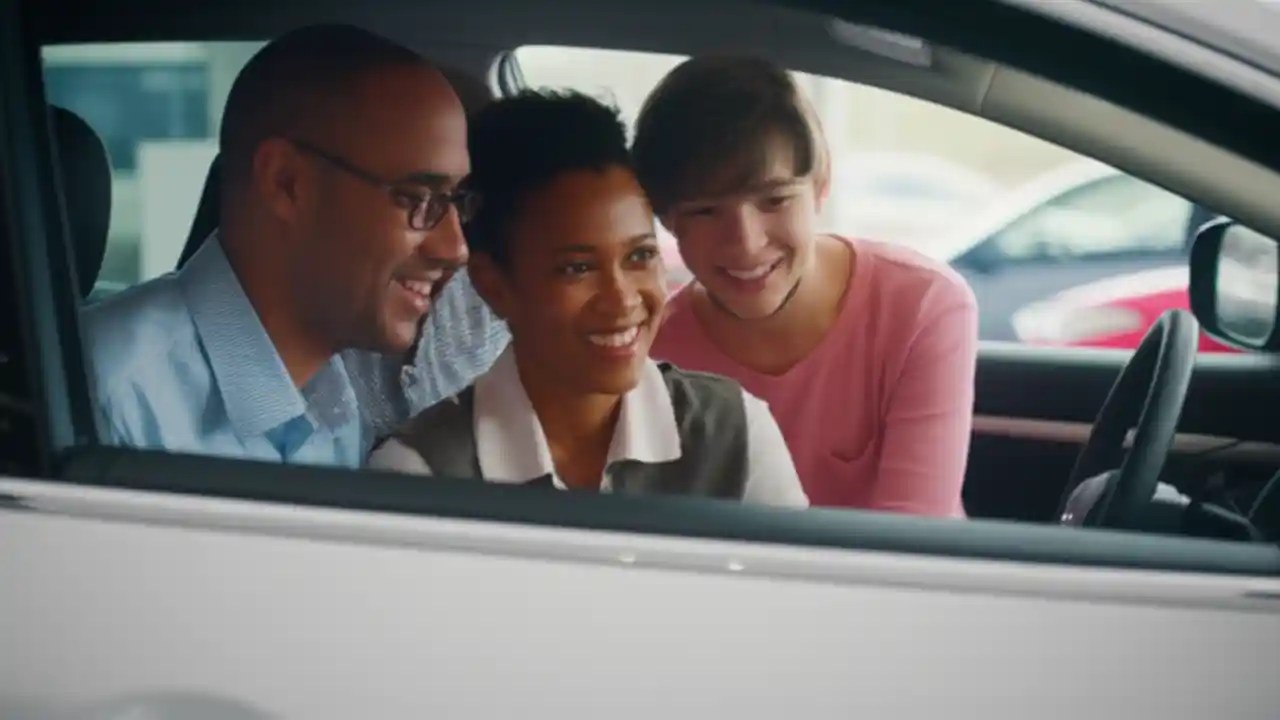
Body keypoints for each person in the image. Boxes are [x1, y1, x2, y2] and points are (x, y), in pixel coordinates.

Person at [81, 24, 508, 466]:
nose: (455, 248)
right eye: (418, 199)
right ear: (288, 184)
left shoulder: (336, 396)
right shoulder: (111, 399)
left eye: (456, 202)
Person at [369, 91, 807, 508]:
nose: (622, 301)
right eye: (577, 268)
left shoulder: (737, 434)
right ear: (493, 285)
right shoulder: (419, 472)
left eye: (640, 256)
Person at [632, 56, 978, 516]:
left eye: (774, 200)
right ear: (667, 219)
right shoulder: (653, 354)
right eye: (705, 211)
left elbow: (914, 537)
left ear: (821, 183)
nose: (746, 243)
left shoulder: (922, 305)